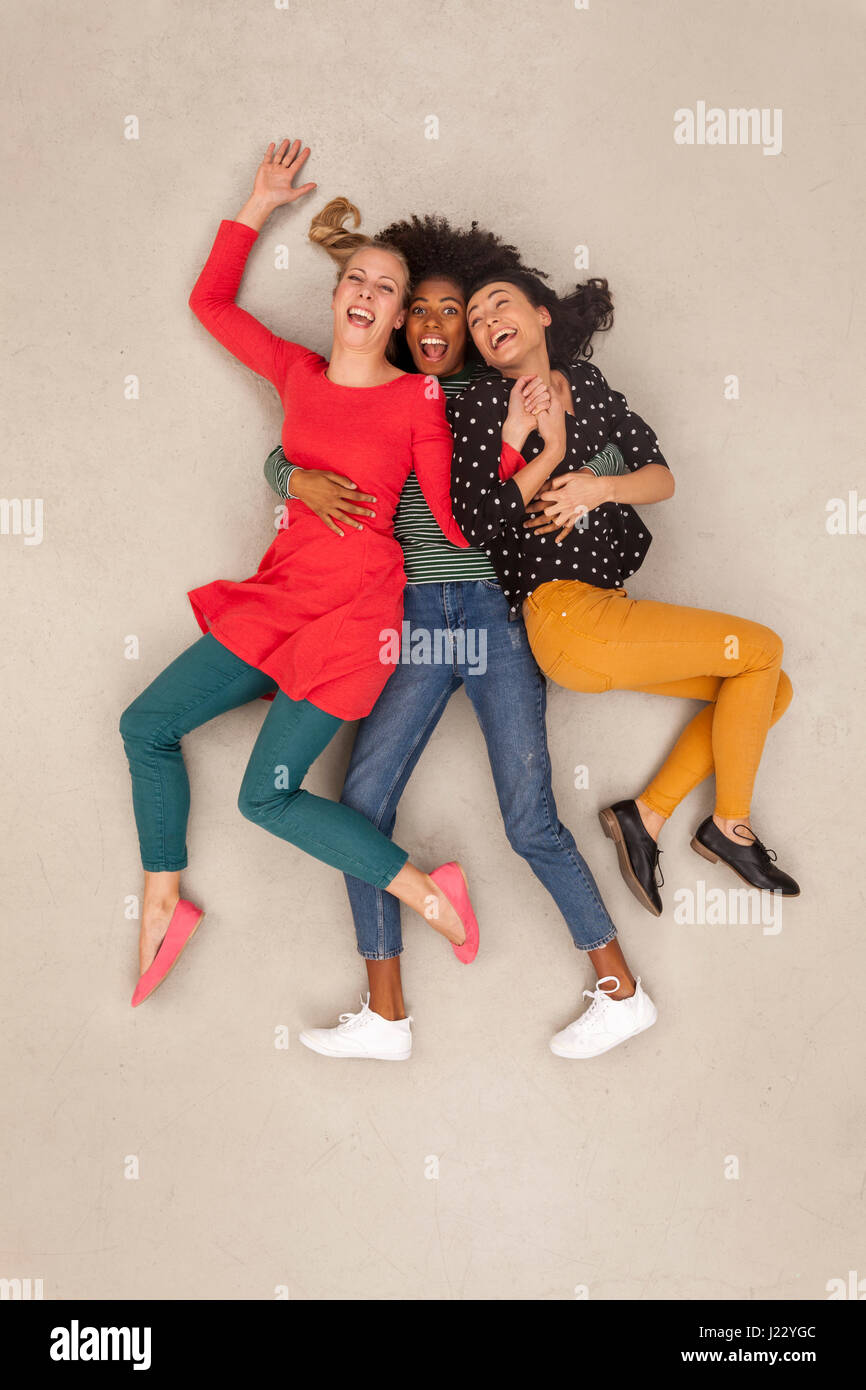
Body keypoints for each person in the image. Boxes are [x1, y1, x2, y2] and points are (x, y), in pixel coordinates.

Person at [265, 202, 658, 1063]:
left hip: (493, 617)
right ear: (403, 322)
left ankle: (622, 991)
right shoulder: (385, 393)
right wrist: (286, 470)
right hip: (412, 623)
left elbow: (560, 457)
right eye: (427, 310)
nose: (443, 323)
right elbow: (301, 431)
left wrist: (572, 466)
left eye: (458, 310)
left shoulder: (495, 389)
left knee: (530, 820)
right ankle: (386, 1014)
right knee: (362, 805)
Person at [118, 140, 480, 1009]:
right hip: (279, 600)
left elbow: (456, 511)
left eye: (386, 289)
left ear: (398, 320)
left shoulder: (416, 399)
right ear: (335, 295)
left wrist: (542, 460)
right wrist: (257, 205)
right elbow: (208, 302)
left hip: (356, 622)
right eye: (357, 278)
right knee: (145, 725)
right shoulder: (296, 373)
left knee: (265, 800)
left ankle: (428, 890)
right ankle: (165, 897)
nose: (368, 293)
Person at [450, 269, 799, 917]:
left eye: (500, 303)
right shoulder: (480, 403)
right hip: (560, 614)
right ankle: (730, 825)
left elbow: (659, 478)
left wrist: (597, 487)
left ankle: (645, 814)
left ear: (542, 315)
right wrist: (546, 455)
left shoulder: (585, 383)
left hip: (610, 608)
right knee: (763, 648)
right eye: (473, 317)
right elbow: (475, 522)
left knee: (768, 685)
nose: (486, 319)